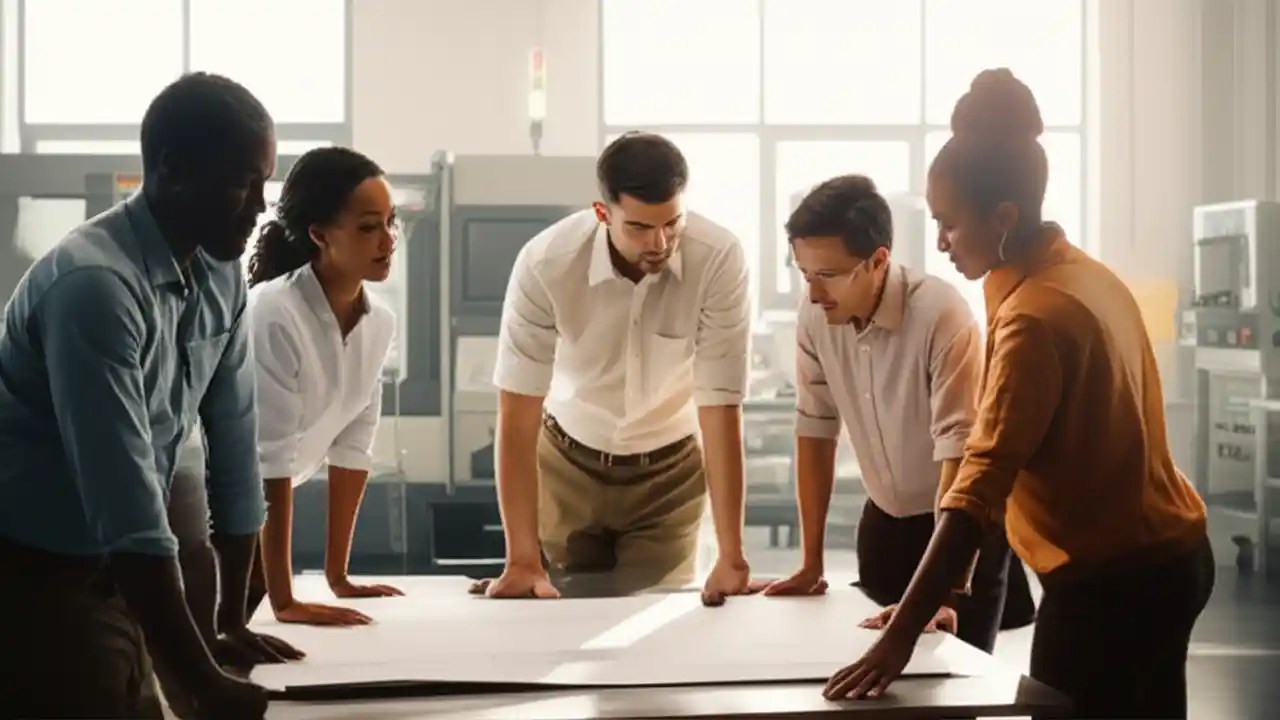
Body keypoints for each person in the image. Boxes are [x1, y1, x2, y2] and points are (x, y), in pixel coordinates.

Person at [823, 68, 1214, 720]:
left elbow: (980, 483)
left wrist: (897, 638)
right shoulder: (1080, 273)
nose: (941, 241)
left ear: (1002, 217)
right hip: (1171, 561)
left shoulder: (1034, 315)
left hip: (1111, 585)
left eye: (949, 224)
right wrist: (951, 591)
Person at [0, 72, 297, 719]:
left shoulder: (220, 273)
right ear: (173, 170)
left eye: (266, 182)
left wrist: (229, 618)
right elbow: (127, 506)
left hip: (123, 571)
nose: (260, 206)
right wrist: (205, 681)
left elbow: (235, 445)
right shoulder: (94, 286)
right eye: (245, 181)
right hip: (36, 575)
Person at [479, 131, 757, 605]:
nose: (660, 242)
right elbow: (517, 417)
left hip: (670, 475)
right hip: (567, 464)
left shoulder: (719, 259)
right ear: (602, 213)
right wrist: (521, 559)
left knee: (649, 619)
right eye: (640, 228)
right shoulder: (546, 263)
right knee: (567, 612)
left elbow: (720, 407)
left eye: (673, 223)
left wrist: (732, 556)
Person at [764, 174, 1013, 654]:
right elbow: (815, 427)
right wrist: (810, 562)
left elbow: (957, 453)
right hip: (883, 522)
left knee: (952, 690)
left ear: (878, 261)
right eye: (805, 274)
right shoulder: (815, 313)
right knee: (874, 685)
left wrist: (941, 592)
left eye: (828, 275)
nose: (814, 293)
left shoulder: (941, 313)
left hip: (956, 527)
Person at [242, 146, 403, 627]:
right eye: (368, 226)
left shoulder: (380, 324)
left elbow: (353, 449)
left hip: (252, 521)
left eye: (391, 223)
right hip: (204, 513)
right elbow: (268, 462)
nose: (388, 241)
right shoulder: (273, 311)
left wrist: (339, 576)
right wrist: (286, 601)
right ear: (319, 234)